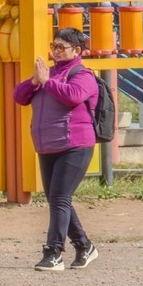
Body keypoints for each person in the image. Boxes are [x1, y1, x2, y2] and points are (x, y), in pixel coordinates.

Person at [13, 27, 100, 271]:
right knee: (56, 199)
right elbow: (19, 97)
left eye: (62, 47)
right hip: (48, 146)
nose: (56, 52)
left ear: (77, 50)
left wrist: (46, 82)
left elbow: (72, 96)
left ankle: (53, 253)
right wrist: (34, 81)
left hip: (75, 146)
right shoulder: (47, 75)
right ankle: (84, 246)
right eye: (54, 46)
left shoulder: (83, 74)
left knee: (60, 198)